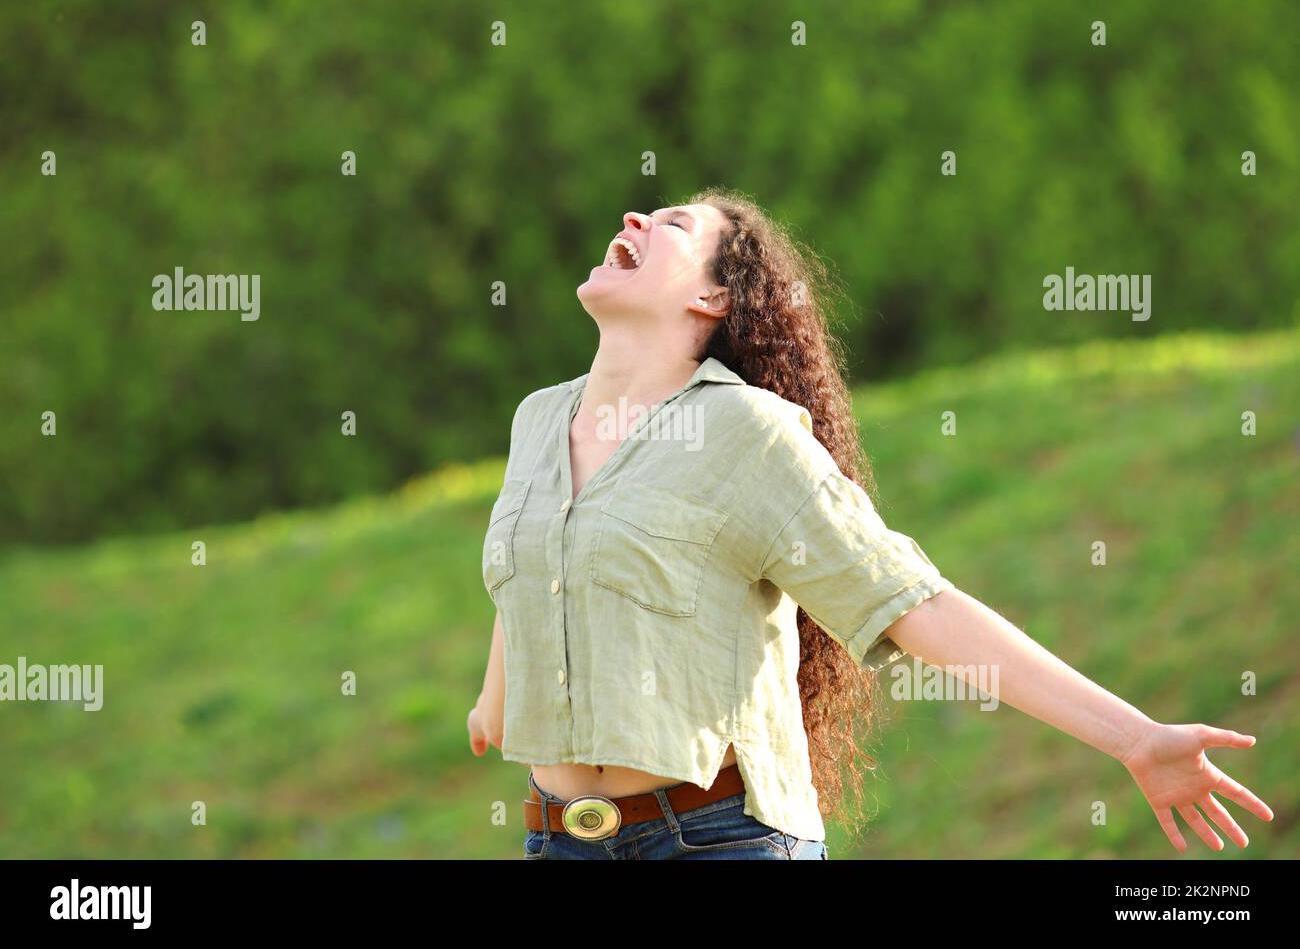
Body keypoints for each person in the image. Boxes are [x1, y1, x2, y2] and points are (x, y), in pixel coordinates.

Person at [466, 187, 1273, 860]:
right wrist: (491, 703)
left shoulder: (747, 432)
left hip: (712, 840)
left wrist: (1132, 737)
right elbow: (539, 565)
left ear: (712, 298)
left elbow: (912, 599)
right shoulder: (537, 420)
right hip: (558, 839)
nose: (636, 219)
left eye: (674, 225)